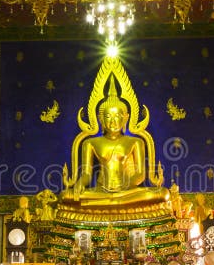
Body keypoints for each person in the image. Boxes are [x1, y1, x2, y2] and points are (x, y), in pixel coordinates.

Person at [62, 78, 169, 208]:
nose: (113, 122)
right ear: (101, 119)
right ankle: (112, 202)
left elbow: (140, 174)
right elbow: (87, 174)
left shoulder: (136, 142)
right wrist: (80, 183)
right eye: (108, 117)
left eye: (117, 116)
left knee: (162, 193)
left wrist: (125, 187)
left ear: (126, 118)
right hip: (101, 191)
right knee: (66, 196)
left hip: (127, 191)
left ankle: (111, 202)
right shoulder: (90, 143)